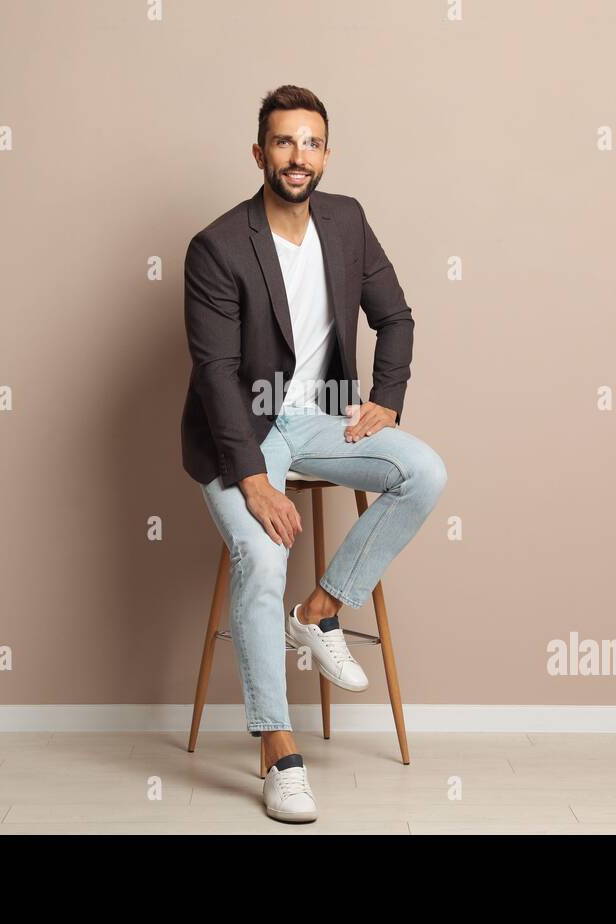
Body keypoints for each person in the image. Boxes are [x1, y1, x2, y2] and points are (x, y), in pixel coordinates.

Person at [179, 85, 448, 823]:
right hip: (242, 426)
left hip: (323, 417)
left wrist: (385, 398)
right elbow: (214, 380)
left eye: (312, 142)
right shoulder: (218, 247)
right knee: (262, 557)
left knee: (423, 470)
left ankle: (321, 611)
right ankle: (279, 752)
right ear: (260, 152)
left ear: (325, 153)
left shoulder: (347, 220)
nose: (299, 156)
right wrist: (253, 479)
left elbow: (395, 317)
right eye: (285, 142)